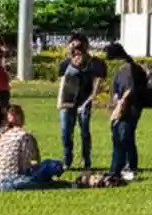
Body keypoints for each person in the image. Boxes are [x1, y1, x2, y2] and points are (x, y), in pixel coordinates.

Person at [57, 34, 107, 171]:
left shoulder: (94, 63)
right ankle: (67, 159)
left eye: (79, 47)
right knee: (65, 132)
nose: (76, 51)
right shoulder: (66, 64)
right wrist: (60, 102)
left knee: (84, 131)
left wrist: (88, 102)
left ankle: (87, 160)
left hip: (84, 101)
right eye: (73, 47)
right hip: (67, 102)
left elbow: (99, 84)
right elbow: (62, 84)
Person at [0, 105, 64, 191]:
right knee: (50, 165)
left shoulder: (0, 135)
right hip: (15, 175)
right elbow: (28, 162)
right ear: (21, 118)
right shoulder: (24, 136)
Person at [107, 43, 147, 181]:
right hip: (129, 106)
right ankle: (123, 167)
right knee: (125, 137)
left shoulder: (127, 69)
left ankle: (123, 168)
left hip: (129, 107)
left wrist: (119, 107)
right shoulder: (129, 67)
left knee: (122, 137)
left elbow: (128, 90)